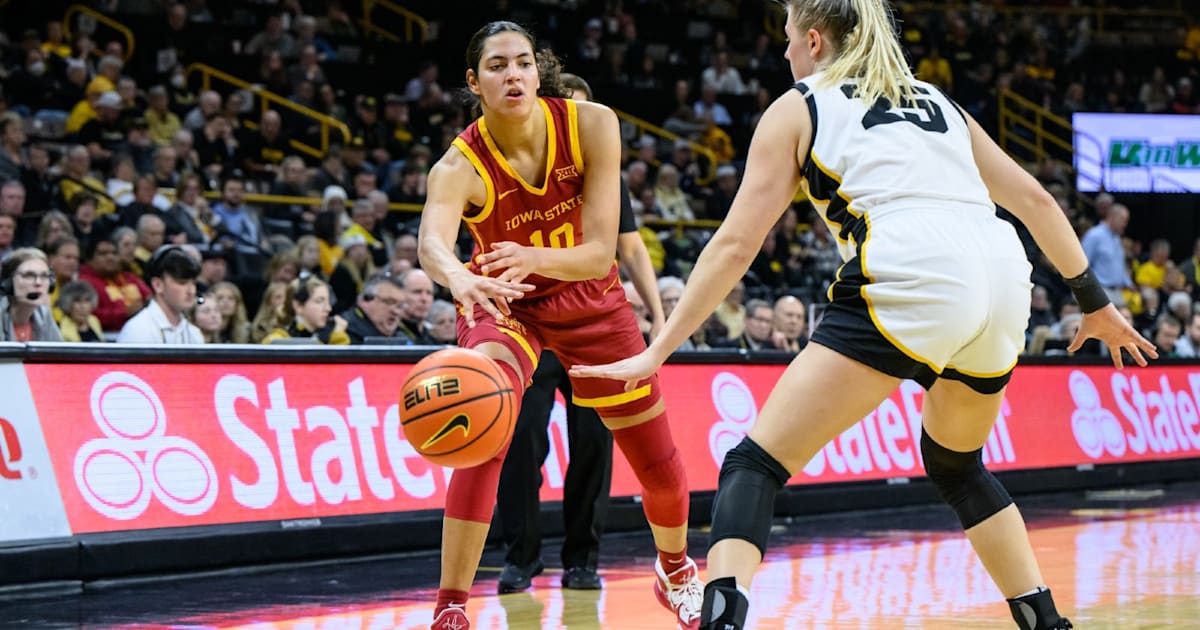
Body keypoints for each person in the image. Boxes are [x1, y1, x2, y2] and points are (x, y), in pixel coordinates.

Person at [570, 2, 1156, 630]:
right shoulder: (937, 101)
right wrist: (1095, 303)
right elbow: (1035, 198)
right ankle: (1046, 623)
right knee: (957, 465)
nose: (785, 53)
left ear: (815, 40)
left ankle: (720, 622)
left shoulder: (799, 104)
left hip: (912, 269)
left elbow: (737, 245)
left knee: (754, 465)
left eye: (790, 39)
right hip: (1004, 278)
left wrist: (659, 349)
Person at [417, 22, 702, 630]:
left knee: (655, 459)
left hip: (591, 300)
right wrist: (458, 277)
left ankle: (675, 568)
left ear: (536, 71)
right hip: (506, 304)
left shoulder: (593, 124)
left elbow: (602, 252)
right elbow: (431, 244)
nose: (512, 74)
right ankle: (450, 609)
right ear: (475, 82)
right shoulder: (458, 165)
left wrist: (532, 256)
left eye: (522, 62)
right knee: (481, 425)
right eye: (496, 66)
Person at [495, 71, 666, 594]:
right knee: (520, 439)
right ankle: (520, 555)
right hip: (533, 318)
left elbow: (631, 247)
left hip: (593, 321)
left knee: (593, 442)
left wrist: (658, 316)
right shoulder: (513, 167)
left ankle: (583, 559)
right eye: (572, 109)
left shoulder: (604, 173)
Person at [117, 245, 204, 344]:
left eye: (193, 283)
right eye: (182, 283)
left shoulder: (193, 333)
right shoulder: (138, 330)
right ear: (158, 285)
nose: (191, 291)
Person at [261, 276, 349, 345]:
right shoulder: (276, 341)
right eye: (319, 301)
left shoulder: (318, 343)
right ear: (298, 306)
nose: (328, 308)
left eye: (327, 301)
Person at [0, 248, 63, 341]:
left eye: (44, 276)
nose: (38, 282)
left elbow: (58, 353)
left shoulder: (44, 315)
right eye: (28, 275)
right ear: (8, 283)